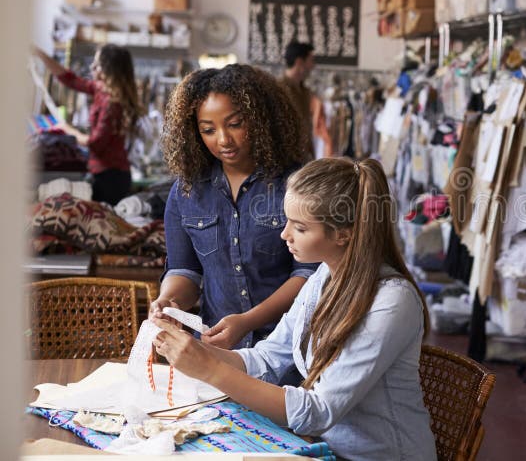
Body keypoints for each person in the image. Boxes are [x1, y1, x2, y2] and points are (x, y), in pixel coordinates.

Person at [153, 158, 437, 461]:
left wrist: (209, 369)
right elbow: (267, 358)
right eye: (287, 221)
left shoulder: (392, 302)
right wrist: (192, 351)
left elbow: (319, 411)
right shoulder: (323, 278)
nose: (284, 234)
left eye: (299, 227)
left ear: (343, 233)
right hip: (327, 449)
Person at [151, 63, 317, 350]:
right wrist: (170, 301)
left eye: (235, 124)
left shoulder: (295, 184)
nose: (223, 140)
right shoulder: (188, 190)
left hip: (287, 349)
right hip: (218, 350)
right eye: (208, 129)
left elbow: (309, 274)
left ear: (260, 119)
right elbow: (185, 270)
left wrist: (247, 321)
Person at [32, 44, 142, 205]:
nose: (92, 67)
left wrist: (68, 130)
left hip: (111, 178)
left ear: (108, 71)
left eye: (97, 65)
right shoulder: (101, 91)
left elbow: (96, 143)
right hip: (107, 174)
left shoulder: (111, 104)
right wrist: (40, 54)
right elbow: (71, 80)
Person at [280, 41, 315, 160]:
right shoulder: (278, 89)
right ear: (300, 62)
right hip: (286, 160)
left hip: (303, 159)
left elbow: (306, 126)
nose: (313, 66)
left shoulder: (305, 91)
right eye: (311, 61)